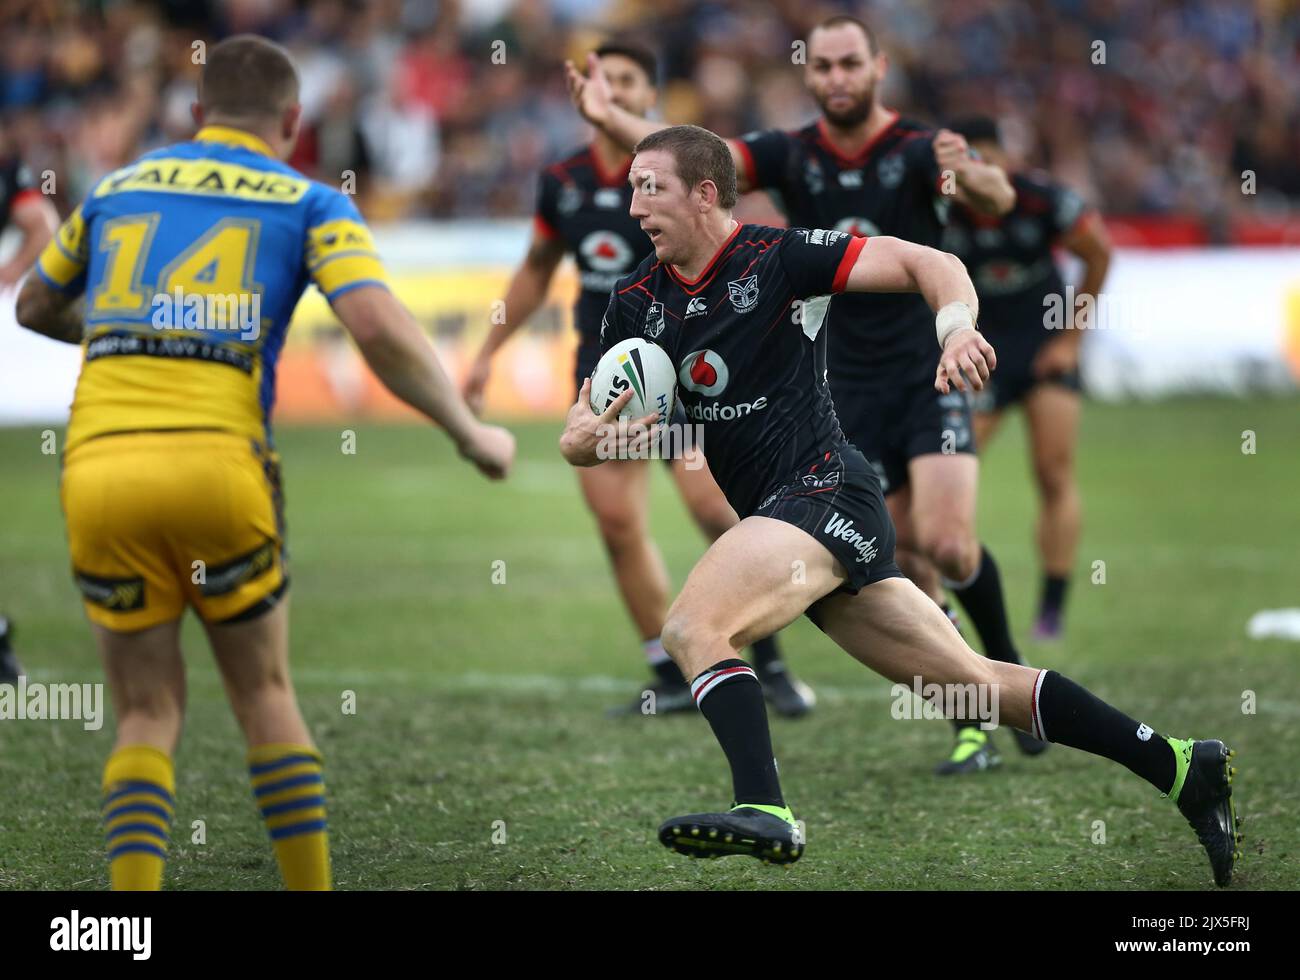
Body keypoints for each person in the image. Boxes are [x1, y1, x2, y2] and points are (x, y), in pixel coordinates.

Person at [558, 124, 1240, 887]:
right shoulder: (634, 304)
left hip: (823, 491)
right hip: (804, 523)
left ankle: (766, 808)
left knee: (692, 627)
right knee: (976, 685)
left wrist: (955, 331)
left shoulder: (780, 258)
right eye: (630, 189)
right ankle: (1183, 765)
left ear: (706, 194)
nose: (634, 203)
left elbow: (929, 261)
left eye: (651, 186)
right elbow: (579, 433)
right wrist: (589, 439)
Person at [15, 35, 514, 891]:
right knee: (264, 695)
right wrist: (470, 431)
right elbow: (380, 329)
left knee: (143, 711)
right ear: (291, 121)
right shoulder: (309, 199)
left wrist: (139, 332)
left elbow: (33, 303)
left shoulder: (119, 188)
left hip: (98, 467)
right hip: (218, 464)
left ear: (198, 116)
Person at [565, 15, 1041, 775]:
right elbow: (692, 157)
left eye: (850, 63)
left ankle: (1004, 664)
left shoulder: (919, 150)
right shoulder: (790, 154)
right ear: (810, 72)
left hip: (930, 370)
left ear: (878, 67)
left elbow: (991, 196)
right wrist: (611, 116)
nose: (835, 79)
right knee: (910, 552)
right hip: (839, 383)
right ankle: (981, 710)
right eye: (821, 66)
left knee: (948, 543)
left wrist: (977, 177)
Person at [466, 42, 812, 717]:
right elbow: (537, 268)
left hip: (689, 367)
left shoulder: (676, 174)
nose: (615, 92)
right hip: (610, 370)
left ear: (647, 96)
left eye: (629, 82)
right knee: (618, 522)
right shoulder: (564, 181)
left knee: (717, 512)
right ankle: (671, 671)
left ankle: (766, 661)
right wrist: (488, 351)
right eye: (606, 79)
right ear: (586, 91)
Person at [944, 116, 1112, 640]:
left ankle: (1052, 608)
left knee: (1053, 472)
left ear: (1008, 161)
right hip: (980, 355)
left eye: (992, 161)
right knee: (951, 473)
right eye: (973, 163)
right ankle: (939, 594)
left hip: (1044, 354)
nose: (984, 174)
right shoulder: (941, 207)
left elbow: (1098, 254)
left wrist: (1070, 340)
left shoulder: (1044, 200)